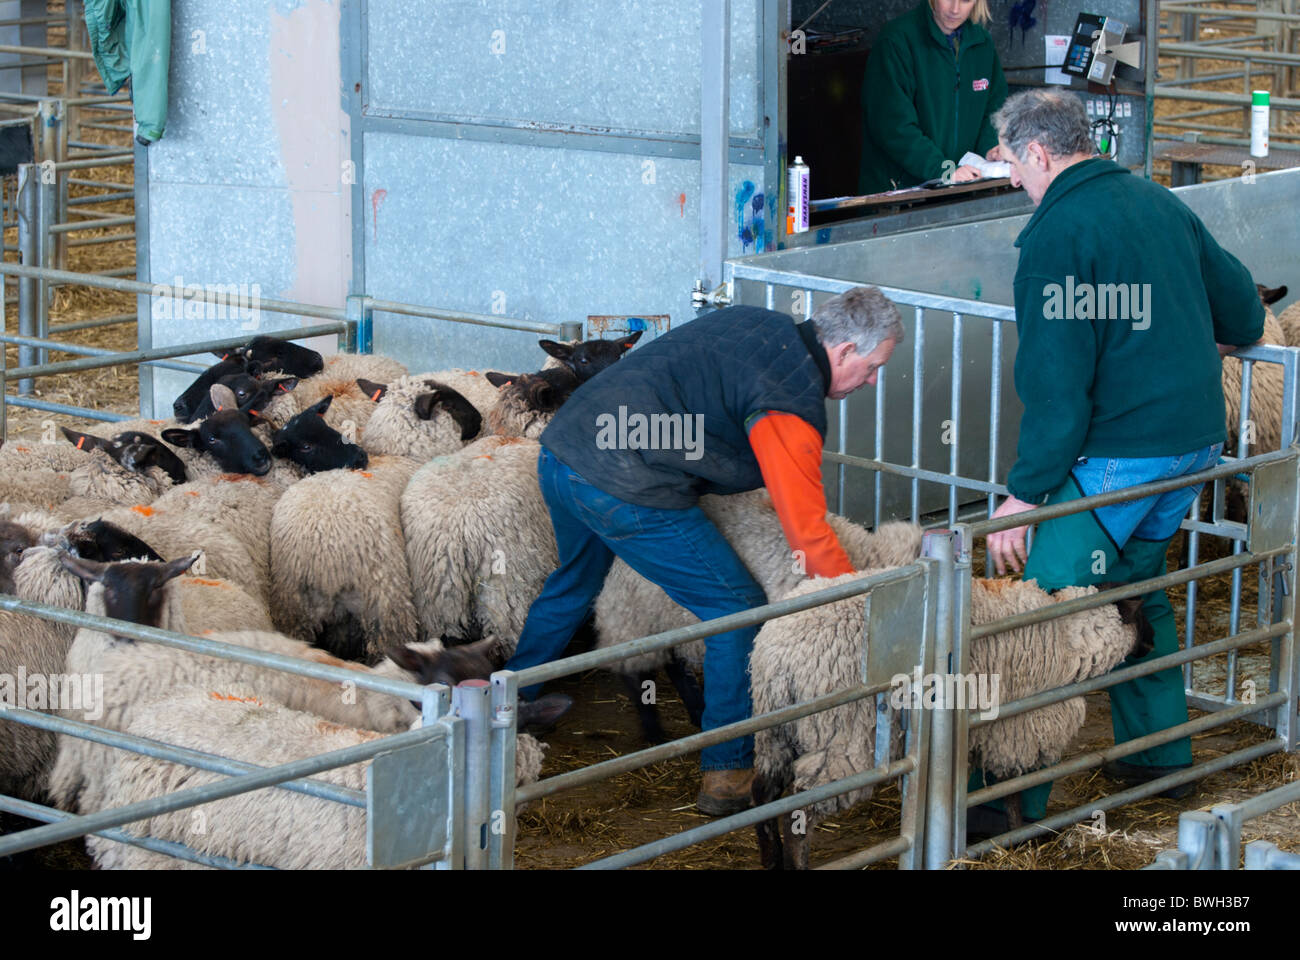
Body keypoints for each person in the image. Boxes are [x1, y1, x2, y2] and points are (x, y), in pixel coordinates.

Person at [976, 89, 1265, 839]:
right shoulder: (1159, 202)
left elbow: (1056, 385)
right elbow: (1242, 311)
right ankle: (1157, 755)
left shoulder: (1057, 236)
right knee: (1138, 590)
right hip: (1195, 444)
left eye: (1009, 160)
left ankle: (1003, 807)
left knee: (1043, 613)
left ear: (1039, 153)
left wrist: (1024, 494)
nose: (1008, 176)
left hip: (1120, 456)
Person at [505, 288, 904, 815]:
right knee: (735, 615)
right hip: (622, 484)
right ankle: (727, 773)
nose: (872, 381)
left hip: (564, 454)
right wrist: (858, 607)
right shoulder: (788, 399)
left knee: (574, 583)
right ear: (847, 350)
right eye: (873, 367)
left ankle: (500, 706)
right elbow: (807, 530)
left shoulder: (757, 324)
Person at [858, 0, 1008, 195]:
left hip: (961, 190)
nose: (955, 9)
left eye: (965, 0)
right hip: (901, 196)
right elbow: (892, 126)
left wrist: (988, 150)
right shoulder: (897, 40)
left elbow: (995, 108)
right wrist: (944, 170)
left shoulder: (981, 43)